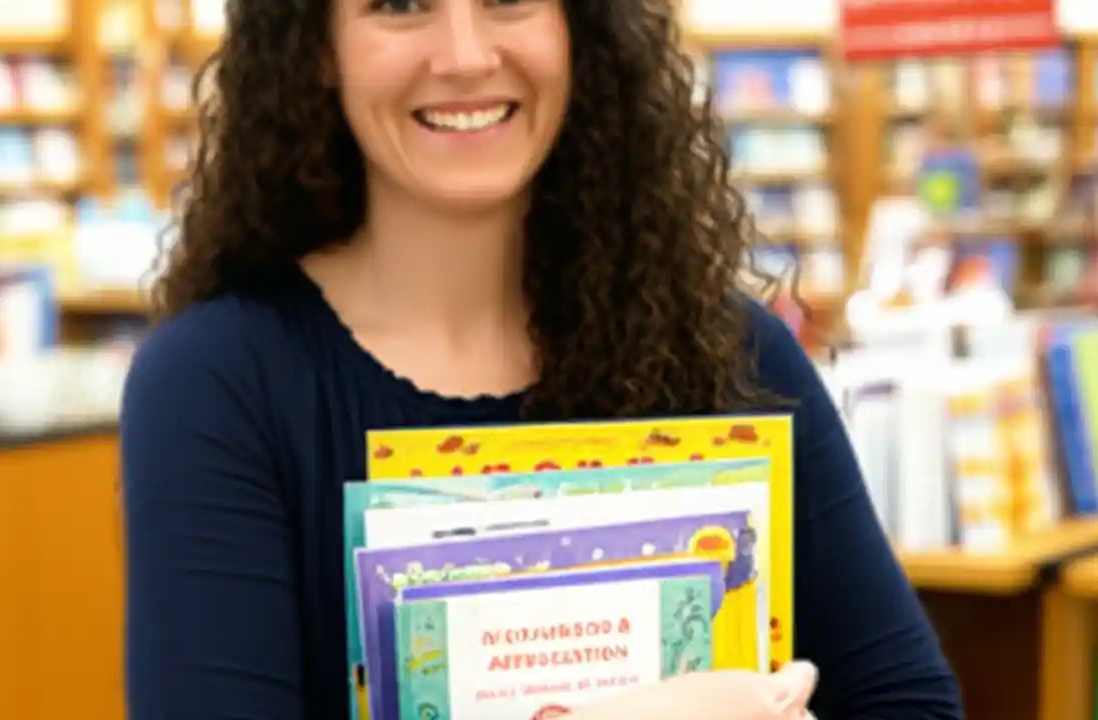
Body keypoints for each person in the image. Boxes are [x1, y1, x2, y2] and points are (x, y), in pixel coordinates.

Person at [119, 0, 966, 717]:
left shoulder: (728, 350)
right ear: (315, 51)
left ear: (579, 33)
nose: (463, 55)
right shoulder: (217, 387)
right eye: (399, 2)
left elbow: (909, 703)